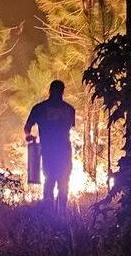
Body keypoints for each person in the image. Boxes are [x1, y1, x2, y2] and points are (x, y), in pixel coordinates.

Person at [24, 79, 75, 211]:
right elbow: (28, 127)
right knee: (61, 180)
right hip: (61, 150)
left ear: (50, 91)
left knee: (52, 180)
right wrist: (28, 134)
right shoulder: (69, 109)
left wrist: (29, 135)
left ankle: (51, 213)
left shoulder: (40, 108)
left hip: (51, 150)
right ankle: (58, 212)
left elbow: (27, 126)